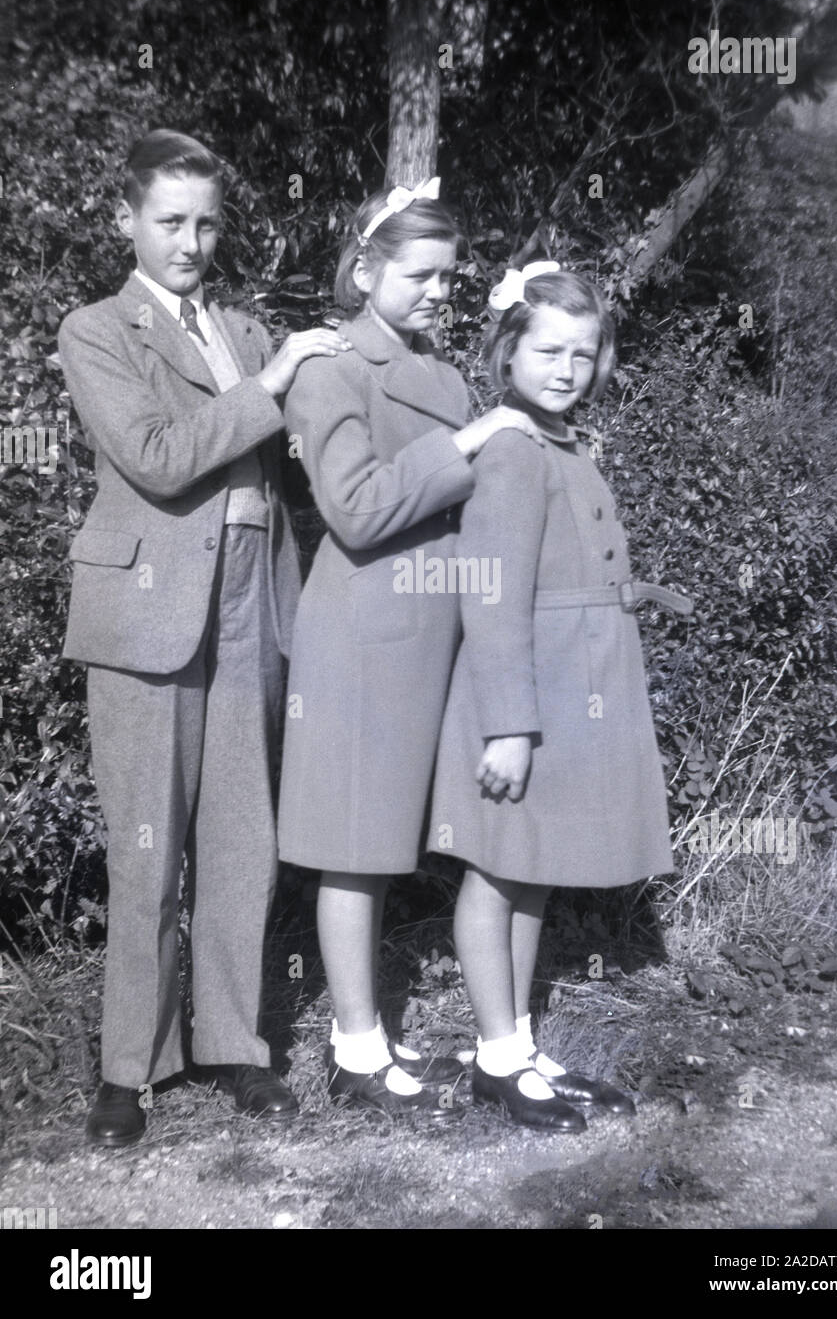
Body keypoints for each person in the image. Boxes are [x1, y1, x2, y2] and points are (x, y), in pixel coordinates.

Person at [58, 129, 350, 1146]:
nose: (191, 241)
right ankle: (128, 1070)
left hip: (249, 600)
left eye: (207, 221)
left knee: (240, 834)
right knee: (148, 845)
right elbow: (157, 456)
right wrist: (271, 386)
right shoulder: (95, 328)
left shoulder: (245, 325)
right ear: (126, 220)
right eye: (171, 221)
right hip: (148, 605)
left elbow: (312, 445)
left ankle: (233, 1044)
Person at [278, 180, 542, 1116]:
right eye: (421, 274)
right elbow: (354, 510)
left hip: (438, 632)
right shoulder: (329, 366)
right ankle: (355, 1053)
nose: (440, 293)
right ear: (365, 271)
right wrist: (476, 436)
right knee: (354, 843)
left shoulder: (442, 372)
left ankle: (388, 1043)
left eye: (451, 278)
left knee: (390, 840)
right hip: (364, 633)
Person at [427, 263, 693, 1132]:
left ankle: (520, 1044)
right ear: (508, 353)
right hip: (524, 688)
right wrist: (509, 723)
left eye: (584, 353)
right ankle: (498, 1057)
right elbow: (490, 594)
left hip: (573, 677)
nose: (567, 368)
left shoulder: (562, 442)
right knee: (498, 868)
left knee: (531, 871)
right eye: (548, 350)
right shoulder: (510, 449)